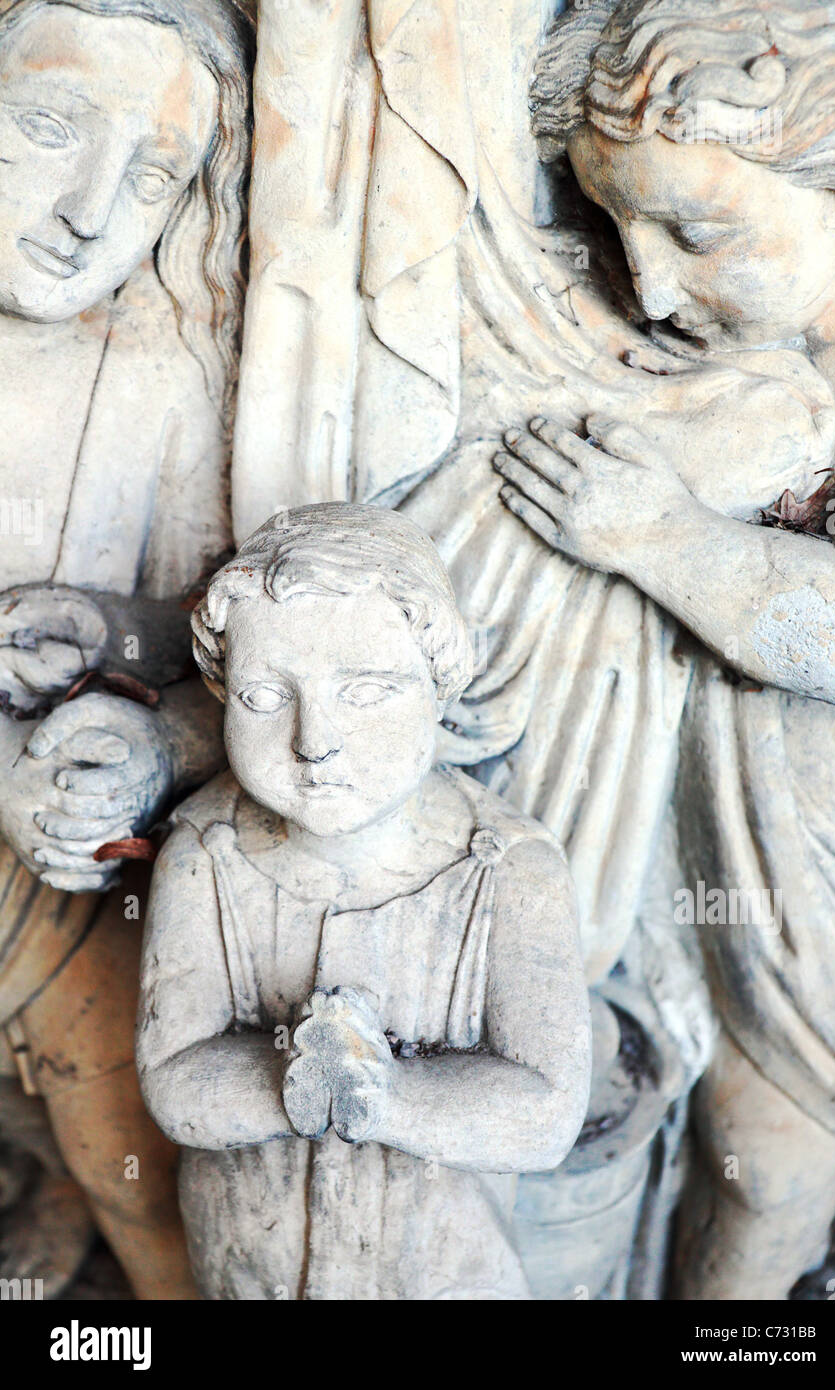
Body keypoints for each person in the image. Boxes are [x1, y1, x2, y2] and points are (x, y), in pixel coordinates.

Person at [495, 0, 835, 1298]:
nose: (646, 283)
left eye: (692, 229)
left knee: (768, 1167)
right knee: (687, 1128)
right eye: (615, 226)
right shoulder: (690, 340)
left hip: (828, 852)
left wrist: (665, 541)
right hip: (690, 817)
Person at [137, 504, 591, 1300]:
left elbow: (546, 1112)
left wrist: (380, 1097)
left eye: (367, 691)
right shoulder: (204, 856)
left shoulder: (511, 870)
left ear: (439, 684)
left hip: (445, 1275)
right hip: (252, 1269)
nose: (316, 739)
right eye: (266, 697)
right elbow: (174, 1078)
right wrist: (290, 1082)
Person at [0, 0, 253, 1298]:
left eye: (152, 171)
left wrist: (145, 738)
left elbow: (235, 659)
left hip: (71, 871)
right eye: (48, 126)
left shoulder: (163, 379)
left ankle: (72, 1192)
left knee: (138, 1171)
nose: (93, 212)